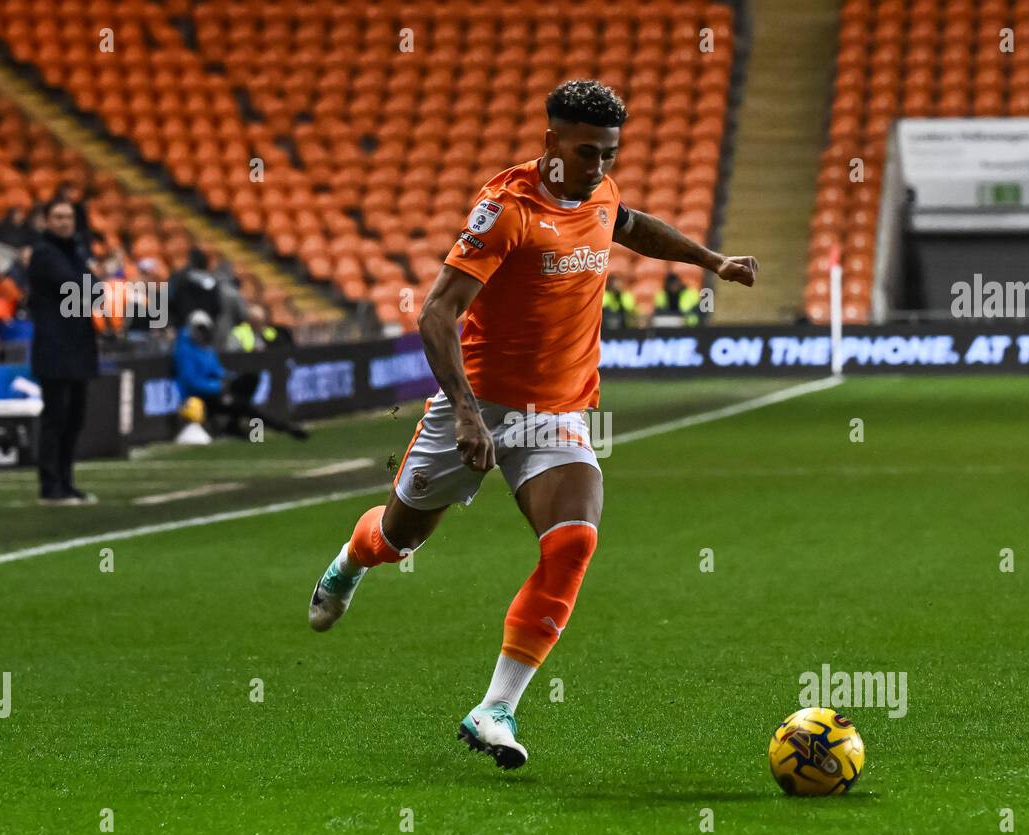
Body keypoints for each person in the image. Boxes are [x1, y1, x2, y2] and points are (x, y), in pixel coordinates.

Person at [306, 79, 758, 769]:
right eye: (585, 152)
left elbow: (629, 223)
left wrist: (710, 261)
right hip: (479, 405)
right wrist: (463, 412)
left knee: (574, 539)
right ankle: (350, 560)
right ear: (550, 141)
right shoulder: (506, 210)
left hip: (558, 411)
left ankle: (495, 707)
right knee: (400, 539)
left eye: (608, 152)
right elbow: (435, 314)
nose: (598, 166)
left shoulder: (599, 190)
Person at [28, 198, 98, 504]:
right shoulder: (45, 253)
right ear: (46, 220)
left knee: (74, 418)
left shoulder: (76, 252)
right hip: (55, 347)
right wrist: (90, 285)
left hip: (78, 344)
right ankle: (50, 485)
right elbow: (76, 287)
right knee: (56, 416)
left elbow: (94, 292)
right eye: (57, 216)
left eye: (68, 216)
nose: (64, 222)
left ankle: (66, 481)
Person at [173, 311, 307, 440]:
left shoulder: (205, 347)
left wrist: (230, 378)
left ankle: (234, 423)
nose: (204, 334)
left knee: (250, 379)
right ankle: (282, 427)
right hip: (200, 398)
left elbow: (217, 370)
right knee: (242, 406)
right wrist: (218, 387)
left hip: (216, 390)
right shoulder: (185, 351)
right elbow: (190, 381)